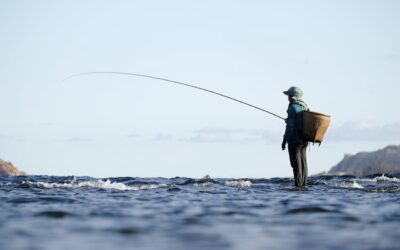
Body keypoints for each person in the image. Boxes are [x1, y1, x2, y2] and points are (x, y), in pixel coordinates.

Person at [281, 86, 309, 187]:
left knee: (296, 165)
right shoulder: (304, 106)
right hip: (305, 140)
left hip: (295, 140)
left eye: (288, 95)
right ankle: (304, 185)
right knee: (303, 163)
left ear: (292, 97)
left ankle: (298, 186)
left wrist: (284, 141)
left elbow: (290, 128)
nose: (287, 97)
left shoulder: (292, 108)